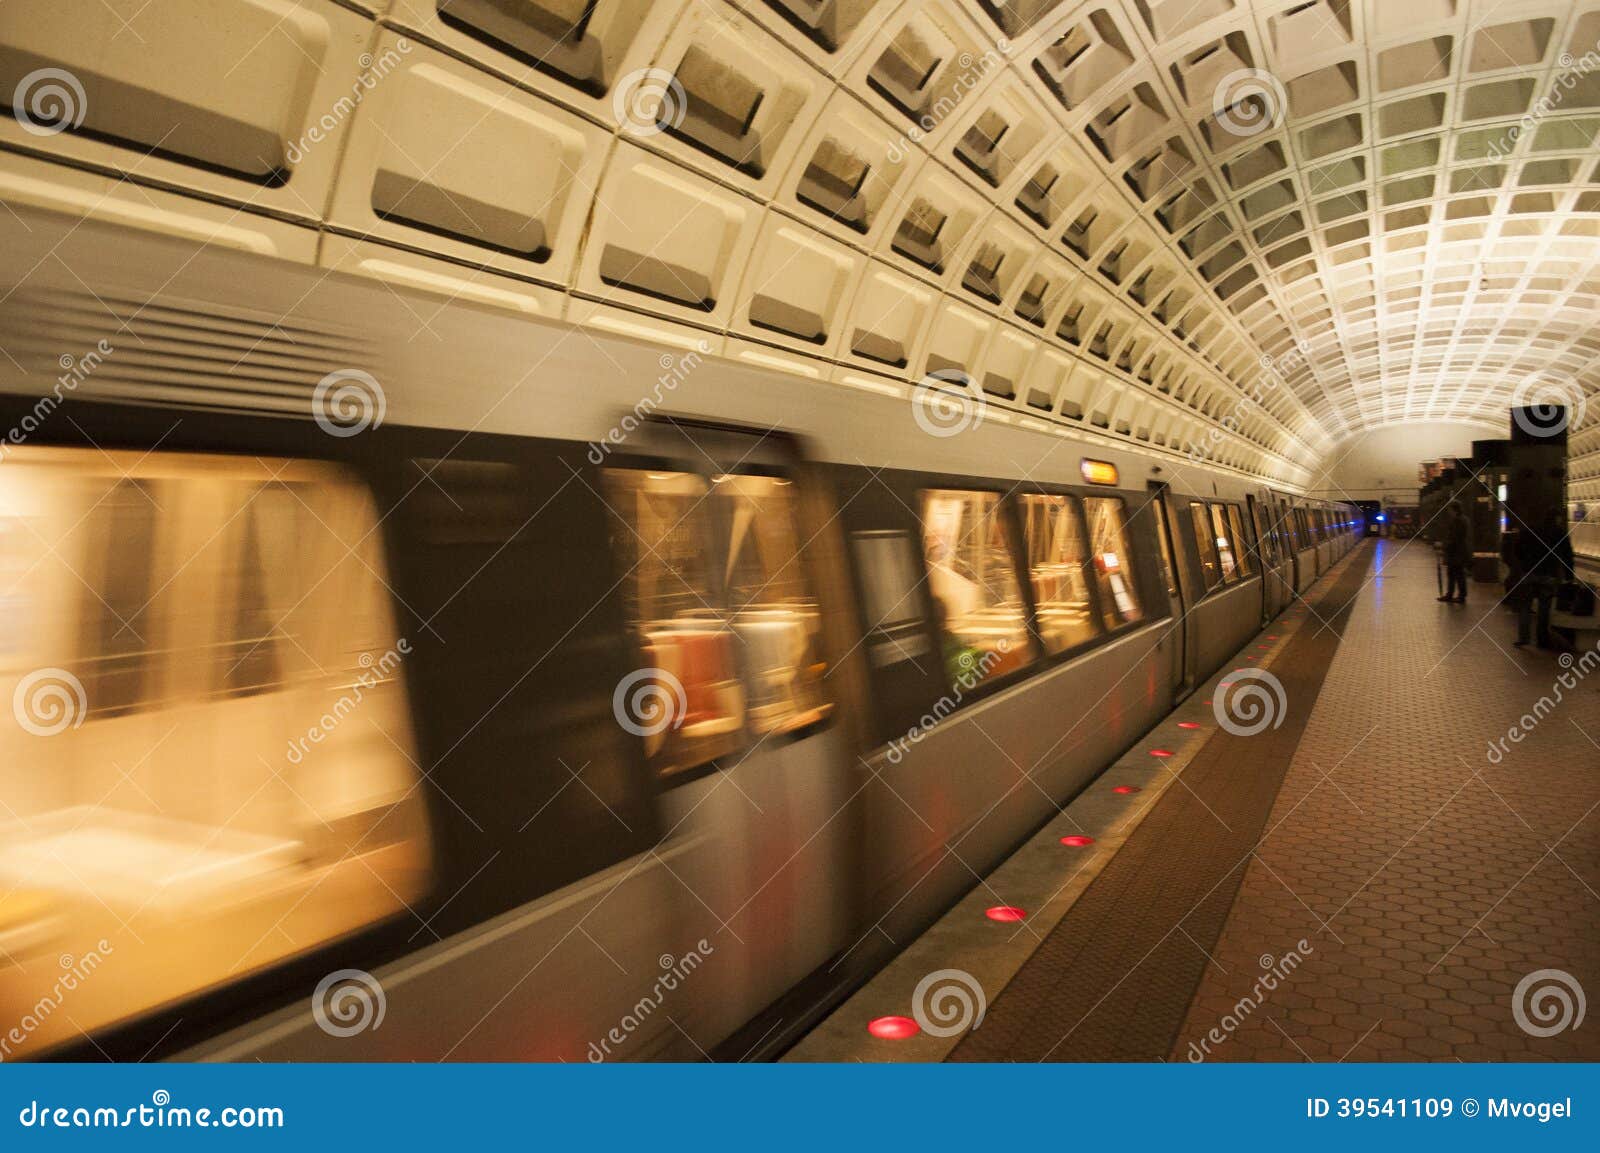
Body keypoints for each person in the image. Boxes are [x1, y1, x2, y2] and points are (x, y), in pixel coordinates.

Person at [1515, 509, 1572, 648]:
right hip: (1548, 575)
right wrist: (1569, 575)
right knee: (1544, 608)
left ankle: (1523, 638)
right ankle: (1542, 639)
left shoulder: (1530, 529)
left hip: (1529, 573)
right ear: (1556, 518)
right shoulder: (1559, 532)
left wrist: (1523, 564)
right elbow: (1567, 554)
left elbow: (1517, 548)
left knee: (1525, 606)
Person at [1438, 501, 1471, 604]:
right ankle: (1454, 594)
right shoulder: (1464, 519)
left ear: (1454, 509)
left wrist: (1445, 547)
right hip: (1460, 551)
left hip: (1456, 552)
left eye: (1450, 509)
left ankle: (1459, 596)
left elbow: (1454, 537)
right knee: (1455, 573)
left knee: (1457, 574)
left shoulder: (1458, 521)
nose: (1449, 512)